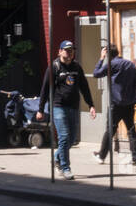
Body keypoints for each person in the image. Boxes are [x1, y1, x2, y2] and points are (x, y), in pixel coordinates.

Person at [36, 41, 97, 180]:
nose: (69, 53)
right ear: (60, 51)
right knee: (64, 136)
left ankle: (57, 157)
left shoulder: (77, 67)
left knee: (71, 139)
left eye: (71, 50)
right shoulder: (54, 67)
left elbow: (84, 87)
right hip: (59, 107)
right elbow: (45, 89)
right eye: (67, 50)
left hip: (74, 107)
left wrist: (91, 105)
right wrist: (40, 109)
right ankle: (65, 167)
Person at [91, 45, 136, 171]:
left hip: (116, 104)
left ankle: (102, 156)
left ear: (108, 54)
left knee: (110, 130)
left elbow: (96, 74)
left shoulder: (111, 64)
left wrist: (101, 59)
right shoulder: (130, 64)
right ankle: (135, 157)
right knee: (131, 130)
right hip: (129, 103)